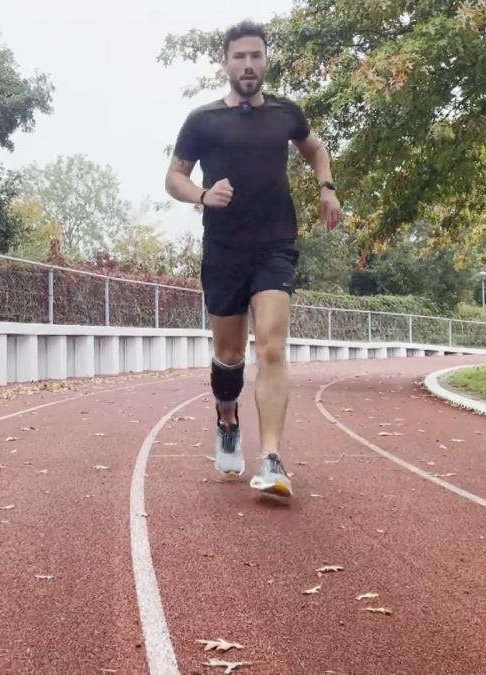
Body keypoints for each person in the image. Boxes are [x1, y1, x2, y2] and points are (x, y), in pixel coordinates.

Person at [164, 20, 340, 498]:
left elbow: (315, 147)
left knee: (271, 349)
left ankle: (273, 457)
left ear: (265, 61)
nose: (248, 65)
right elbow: (173, 179)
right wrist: (202, 194)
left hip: (275, 244)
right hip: (224, 249)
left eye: (255, 56)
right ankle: (227, 419)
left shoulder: (286, 113)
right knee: (229, 355)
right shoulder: (202, 121)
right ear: (226, 63)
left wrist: (327, 187)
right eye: (239, 57)